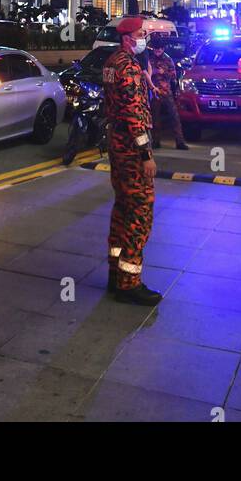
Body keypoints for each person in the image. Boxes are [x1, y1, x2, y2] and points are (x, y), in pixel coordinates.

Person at [103, 16, 161, 306]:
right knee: (140, 212)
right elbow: (134, 113)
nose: (144, 38)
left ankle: (115, 272)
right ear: (127, 38)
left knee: (122, 208)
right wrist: (146, 154)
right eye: (141, 34)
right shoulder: (128, 67)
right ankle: (129, 281)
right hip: (130, 148)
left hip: (116, 144)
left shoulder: (112, 63)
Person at [149, 37, 189, 151]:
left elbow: (173, 75)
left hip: (166, 92)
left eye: (160, 49)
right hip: (154, 92)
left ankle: (180, 142)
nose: (158, 51)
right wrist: (154, 73)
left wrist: (164, 72)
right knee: (155, 118)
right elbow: (145, 73)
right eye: (156, 49)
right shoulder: (149, 59)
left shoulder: (168, 59)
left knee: (174, 117)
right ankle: (156, 141)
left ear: (163, 49)